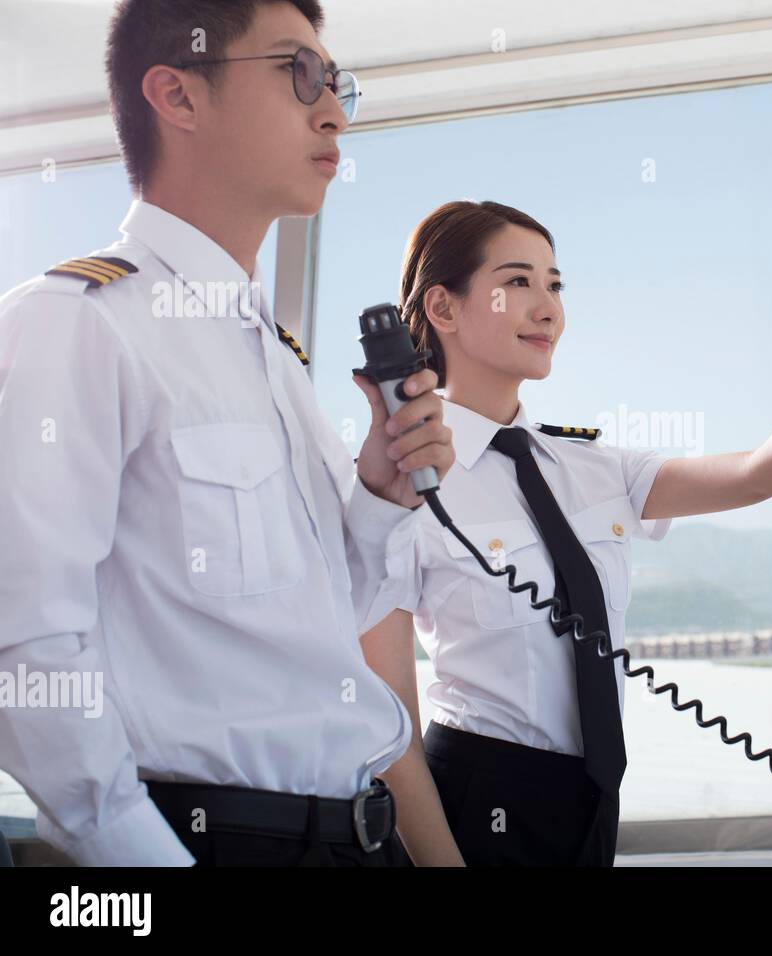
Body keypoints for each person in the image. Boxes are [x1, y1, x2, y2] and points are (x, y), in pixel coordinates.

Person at [360, 200, 772, 866]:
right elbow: (388, 717)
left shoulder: (591, 465)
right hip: (475, 804)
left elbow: (767, 472)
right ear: (444, 308)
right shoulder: (397, 485)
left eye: (553, 284)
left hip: (593, 798)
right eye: (518, 282)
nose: (547, 307)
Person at [0, 0, 455, 866]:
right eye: (299, 75)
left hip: (354, 836)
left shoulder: (275, 355)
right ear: (177, 95)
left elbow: (317, 620)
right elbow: (23, 643)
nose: (332, 111)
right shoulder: (80, 323)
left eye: (338, 85)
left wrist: (377, 498)